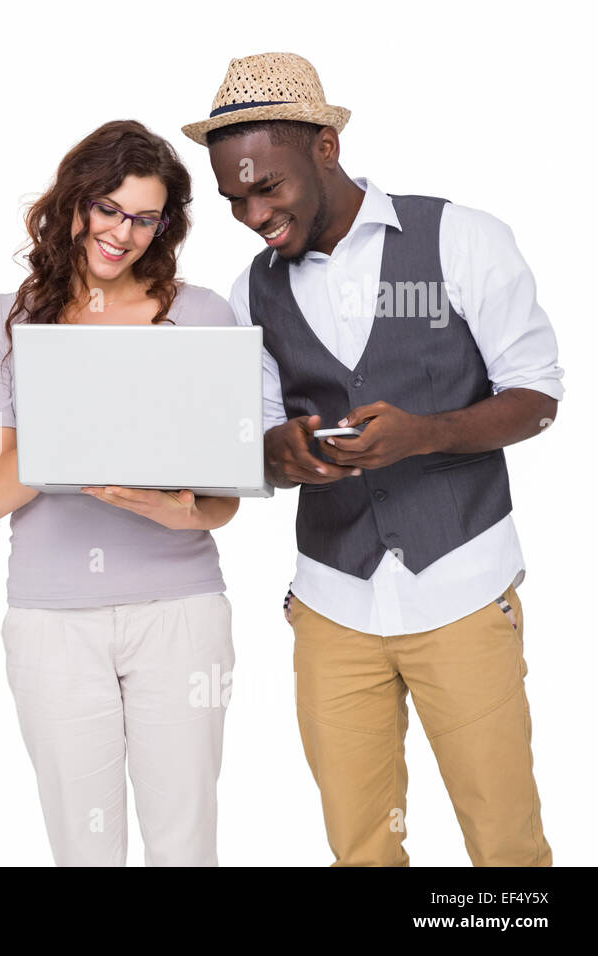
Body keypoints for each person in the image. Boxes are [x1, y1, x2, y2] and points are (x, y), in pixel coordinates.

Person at [183, 51, 560, 866]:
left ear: (325, 147)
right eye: (235, 199)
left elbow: (537, 398)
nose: (253, 215)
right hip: (331, 605)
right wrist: (280, 455)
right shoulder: (253, 290)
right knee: (359, 849)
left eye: (268, 188)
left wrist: (424, 433)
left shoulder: (460, 237)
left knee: (505, 845)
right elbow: (250, 447)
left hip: (460, 589)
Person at [0, 120, 240, 867]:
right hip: (53, 617)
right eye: (109, 209)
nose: (123, 233)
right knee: (83, 849)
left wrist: (177, 509)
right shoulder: (1, 326)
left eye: (144, 217)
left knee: (185, 845)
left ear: (165, 225)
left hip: (179, 608)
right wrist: (85, 420)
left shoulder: (204, 315)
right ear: (76, 203)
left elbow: (223, 497)